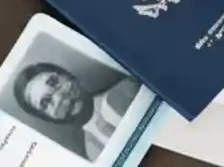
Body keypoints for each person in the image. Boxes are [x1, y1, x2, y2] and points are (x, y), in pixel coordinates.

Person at [12, 62, 141, 161]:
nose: (59, 97)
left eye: (53, 82)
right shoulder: (92, 151)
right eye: (46, 102)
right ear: (48, 117)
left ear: (67, 75)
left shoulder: (127, 90)